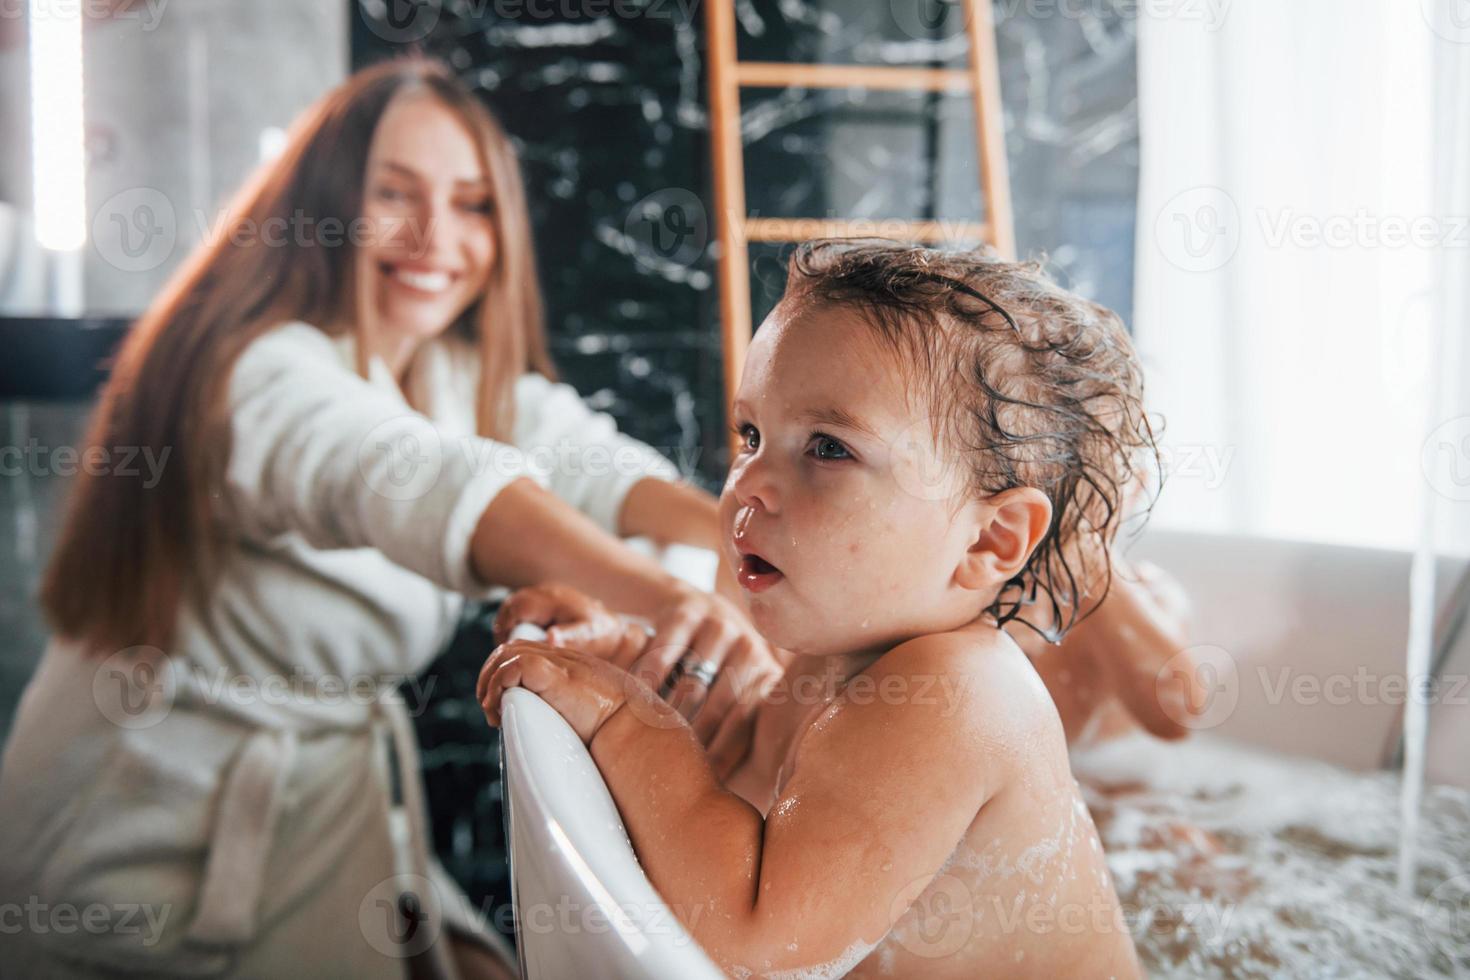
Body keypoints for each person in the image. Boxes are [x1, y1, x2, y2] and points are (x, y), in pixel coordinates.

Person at [0, 58, 780, 979]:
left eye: (472, 204)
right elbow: (426, 482)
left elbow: (596, 464)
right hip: (144, 825)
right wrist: (673, 603)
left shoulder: (449, 375)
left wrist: (753, 541)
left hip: (324, 804)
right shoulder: (253, 369)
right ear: (322, 207)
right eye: (394, 195)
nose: (435, 236)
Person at [479, 239, 1165, 977]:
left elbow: (750, 940)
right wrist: (627, 661)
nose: (748, 483)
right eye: (752, 435)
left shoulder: (956, 696)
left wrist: (624, 719)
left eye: (828, 449)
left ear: (989, 539)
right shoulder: (840, 655)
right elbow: (745, 756)